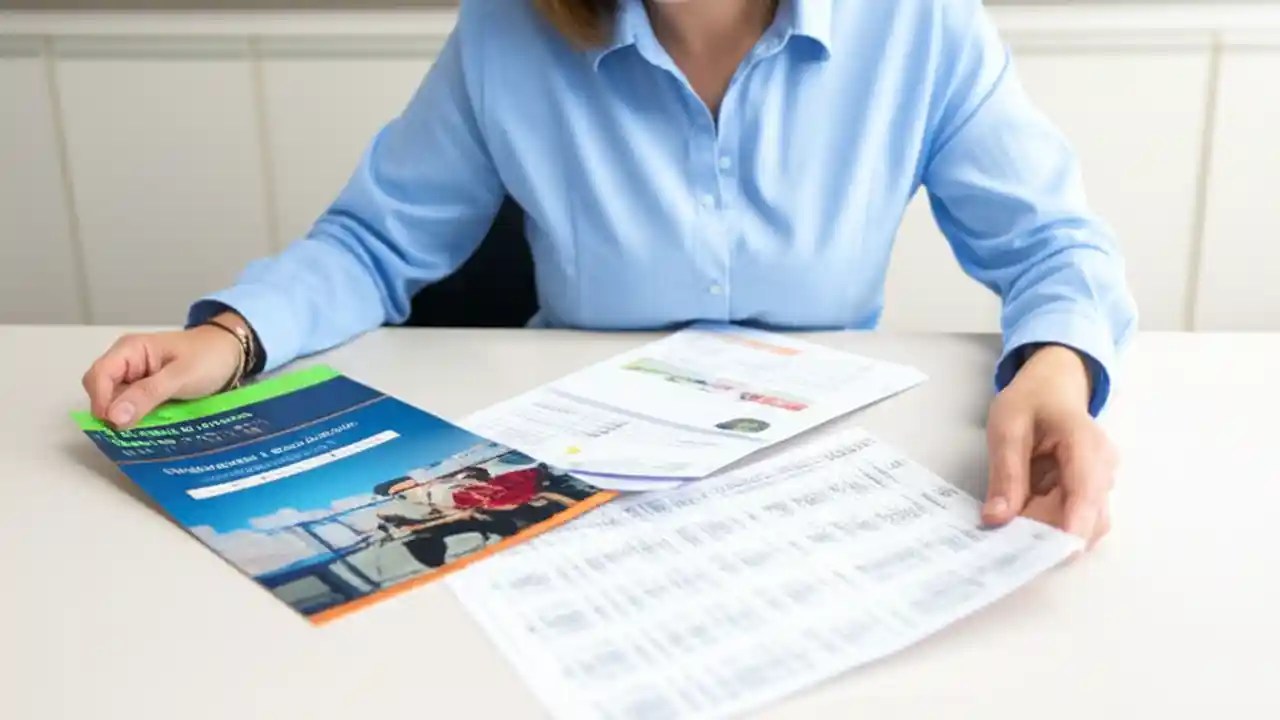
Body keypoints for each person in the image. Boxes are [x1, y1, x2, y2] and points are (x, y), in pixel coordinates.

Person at [81, 0, 1135, 550]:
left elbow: (1053, 244)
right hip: (580, 480)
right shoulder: (507, 26)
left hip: (822, 479)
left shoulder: (916, 20)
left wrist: (1054, 371)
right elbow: (373, 241)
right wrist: (232, 337)